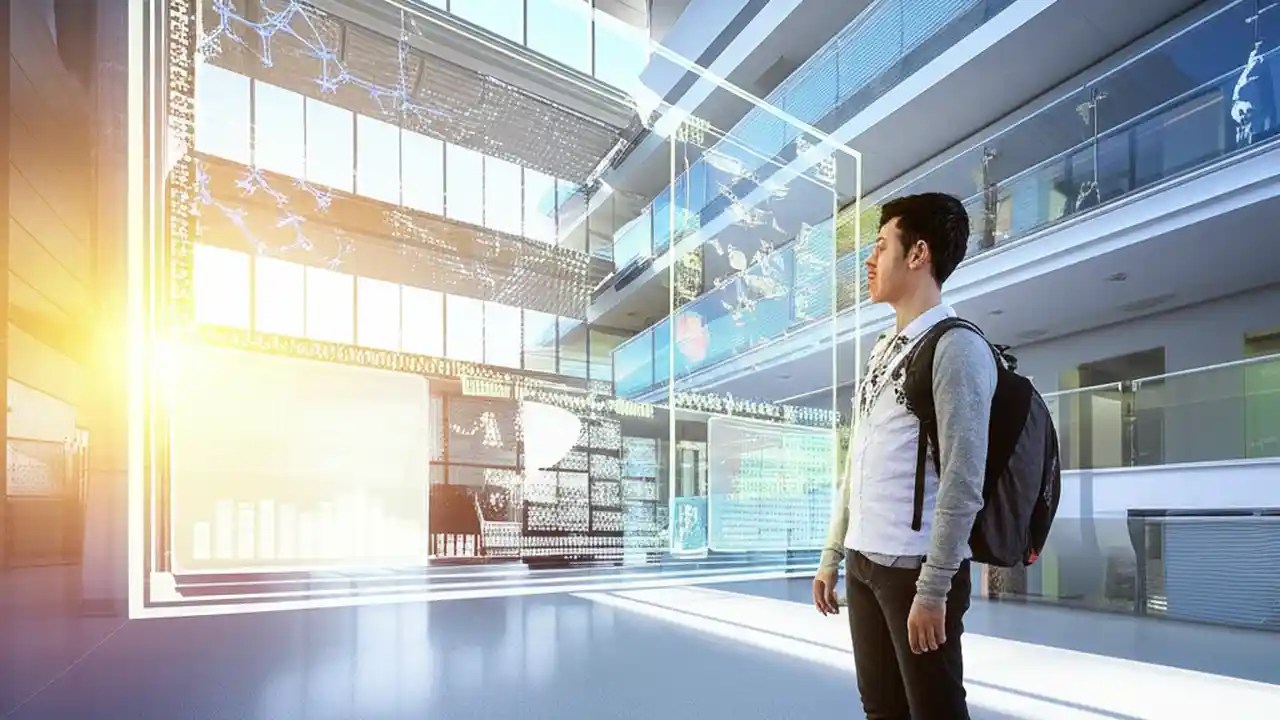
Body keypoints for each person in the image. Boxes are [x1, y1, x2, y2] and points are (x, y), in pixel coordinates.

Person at [812, 193, 995, 719]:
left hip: (916, 571)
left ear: (918, 254)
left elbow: (964, 476)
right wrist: (833, 554)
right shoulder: (882, 349)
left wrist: (934, 588)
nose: (869, 261)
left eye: (879, 246)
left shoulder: (956, 347)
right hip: (866, 564)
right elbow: (858, 461)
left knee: (934, 711)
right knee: (880, 709)